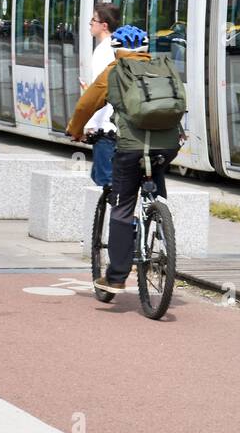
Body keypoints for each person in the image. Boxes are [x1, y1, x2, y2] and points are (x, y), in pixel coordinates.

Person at [65, 25, 181, 294]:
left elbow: (86, 105)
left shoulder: (114, 71)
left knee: (122, 207)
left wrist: (75, 130)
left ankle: (116, 277)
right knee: (154, 180)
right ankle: (159, 219)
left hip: (130, 149)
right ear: (146, 48)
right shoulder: (164, 67)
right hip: (167, 147)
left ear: (116, 50)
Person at [81, 3, 120, 187]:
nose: (90, 25)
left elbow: (100, 93)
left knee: (104, 182)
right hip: (118, 125)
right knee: (99, 176)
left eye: (93, 21)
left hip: (105, 127)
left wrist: (89, 125)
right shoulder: (118, 48)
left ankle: (125, 217)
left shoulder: (102, 51)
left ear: (104, 25)